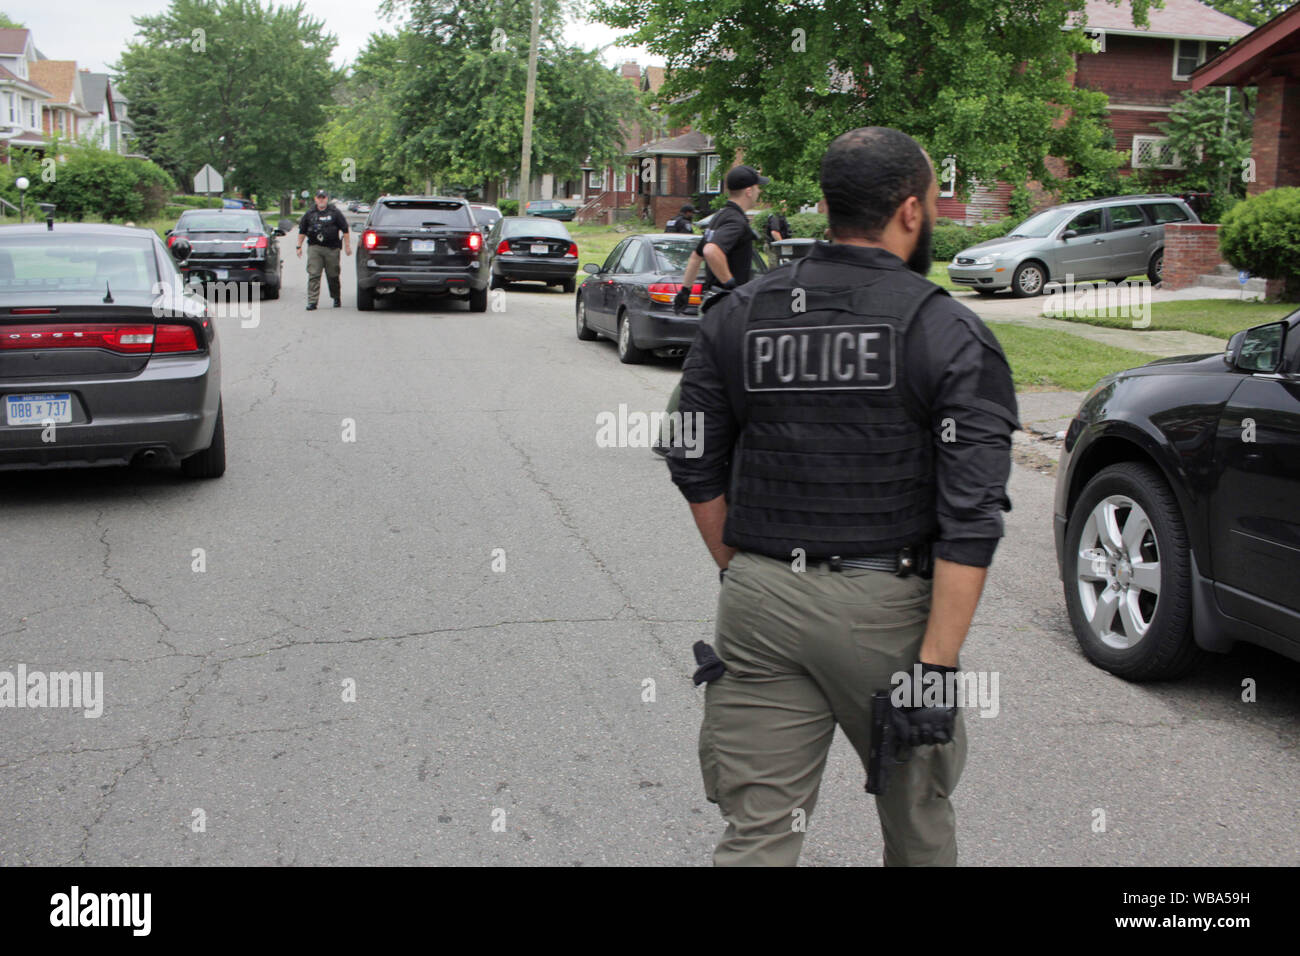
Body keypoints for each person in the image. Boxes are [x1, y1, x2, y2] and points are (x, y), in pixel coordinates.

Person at [666, 126, 1019, 867]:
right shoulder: (946, 330)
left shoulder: (740, 314)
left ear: (826, 206)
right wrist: (937, 665)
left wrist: (742, 568)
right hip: (887, 614)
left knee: (759, 834)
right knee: (917, 827)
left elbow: (693, 454)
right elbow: (970, 519)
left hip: (759, 602)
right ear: (913, 212)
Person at [653, 166, 768, 459]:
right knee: (734, 369)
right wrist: (732, 286)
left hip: (714, 304)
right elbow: (712, 252)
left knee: (705, 369)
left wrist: (685, 291)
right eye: (759, 187)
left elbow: (696, 255)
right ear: (750, 190)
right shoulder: (735, 221)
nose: (760, 192)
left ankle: (675, 436)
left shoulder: (719, 216)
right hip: (727, 307)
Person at [296, 189, 352, 310]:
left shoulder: (335, 212)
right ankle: (312, 301)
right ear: (315, 199)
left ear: (327, 199)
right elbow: (302, 231)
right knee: (314, 274)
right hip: (315, 247)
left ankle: (336, 297)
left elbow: (345, 229)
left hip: (332, 248)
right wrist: (298, 246)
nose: (321, 200)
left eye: (323, 197)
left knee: (333, 275)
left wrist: (347, 246)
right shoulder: (310, 213)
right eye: (319, 197)